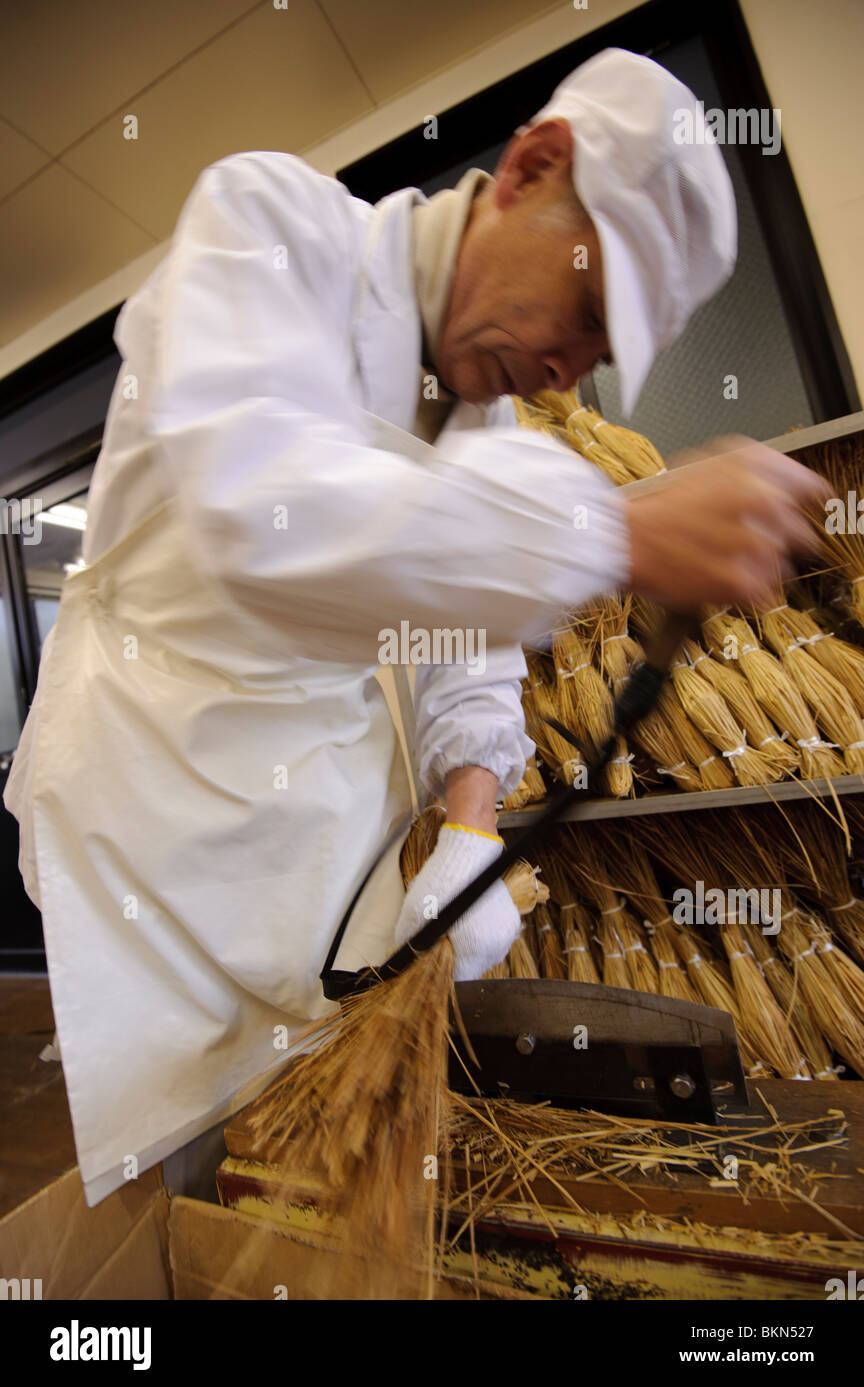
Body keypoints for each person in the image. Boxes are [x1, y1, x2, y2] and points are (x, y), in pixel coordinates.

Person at [3, 48, 825, 1205]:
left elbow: (464, 644)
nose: (566, 366)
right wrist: (621, 531)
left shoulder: (486, 429)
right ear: (533, 165)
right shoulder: (274, 224)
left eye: (598, 355)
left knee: (310, 1173)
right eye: (586, 311)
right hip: (164, 819)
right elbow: (261, 504)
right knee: (183, 1185)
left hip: (325, 818)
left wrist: (472, 836)